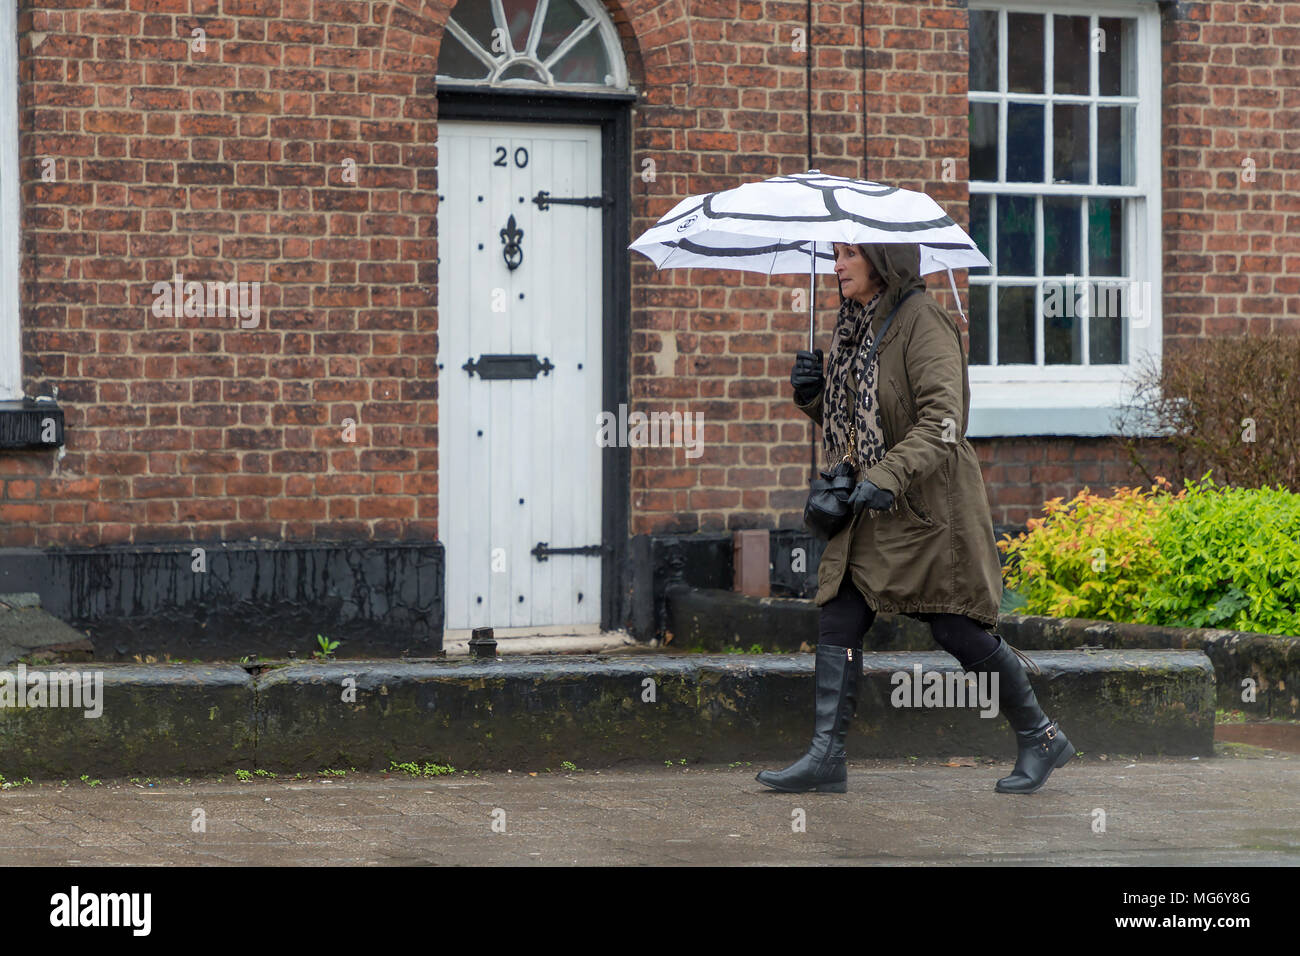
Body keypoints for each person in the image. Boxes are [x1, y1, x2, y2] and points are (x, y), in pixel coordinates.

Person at [755, 241, 1075, 795]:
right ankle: (826, 756)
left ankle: (1042, 736)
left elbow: (944, 421)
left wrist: (888, 475)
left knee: (955, 626)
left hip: (928, 507)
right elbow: (859, 419)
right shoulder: (854, 324)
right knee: (840, 612)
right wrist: (814, 396)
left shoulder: (923, 320)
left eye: (848, 254)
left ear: (883, 259)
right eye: (834, 254)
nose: (836, 267)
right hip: (869, 503)